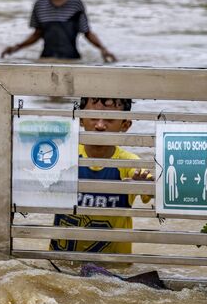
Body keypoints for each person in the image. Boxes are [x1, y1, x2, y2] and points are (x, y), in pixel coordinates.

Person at [50, 97, 154, 255]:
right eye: (93, 117)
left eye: (110, 119)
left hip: (113, 269)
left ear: (125, 125)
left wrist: (145, 184)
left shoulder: (128, 163)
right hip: (60, 263)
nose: (99, 125)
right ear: (80, 119)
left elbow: (150, 189)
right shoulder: (64, 155)